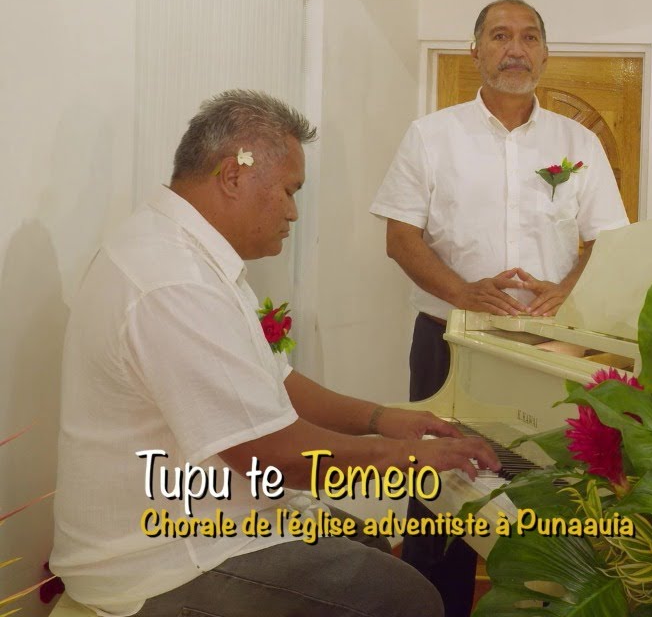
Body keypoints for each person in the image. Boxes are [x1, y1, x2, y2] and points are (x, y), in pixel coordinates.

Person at [51, 90, 499, 617]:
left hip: (208, 518)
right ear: (234, 175)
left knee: (367, 545)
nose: (292, 212)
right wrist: (405, 459)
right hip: (164, 557)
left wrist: (383, 419)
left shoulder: (189, 252)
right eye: (289, 191)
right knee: (408, 599)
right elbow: (266, 454)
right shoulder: (173, 280)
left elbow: (277, 380)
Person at [369, 0, 629, 615]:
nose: (516, 48)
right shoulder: (431, 136)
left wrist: (567, 290)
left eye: (529, 36)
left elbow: (607, 241)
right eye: (500, 35)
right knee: (439, 490)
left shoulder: (579, 142)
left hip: (551, 349)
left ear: (544, 52)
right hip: (448, 340)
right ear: (476, 50)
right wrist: (463, 292)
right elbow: (399, 237)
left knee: (555, 489)